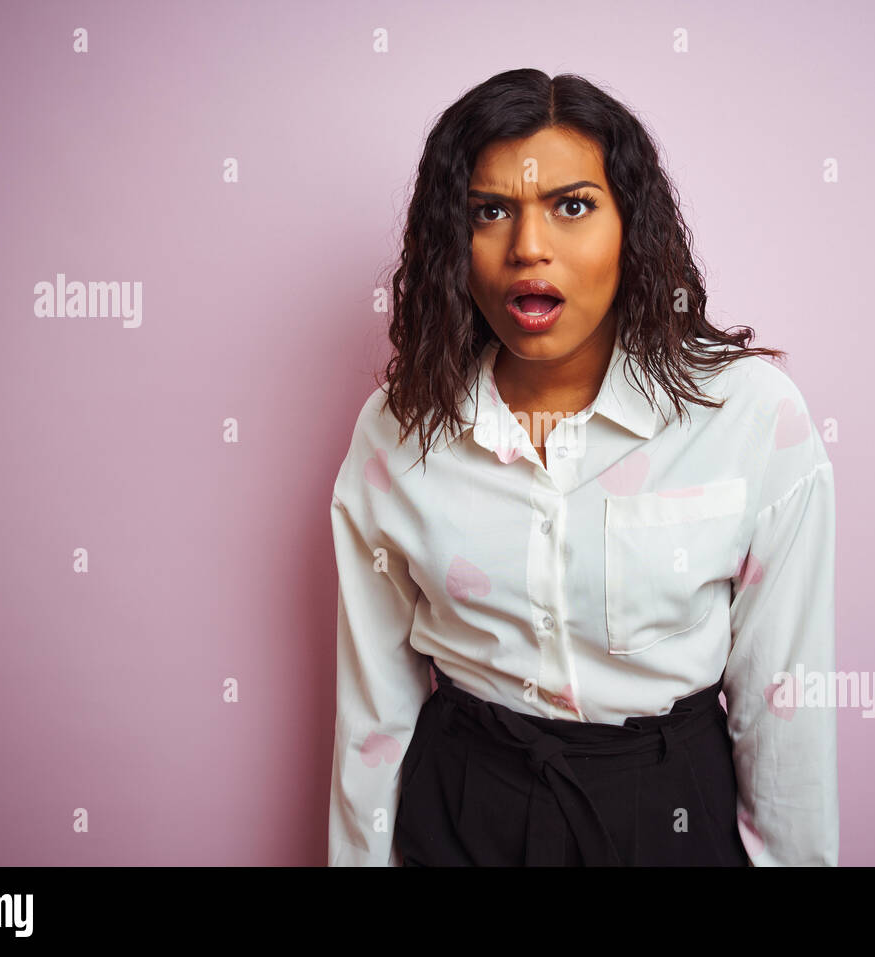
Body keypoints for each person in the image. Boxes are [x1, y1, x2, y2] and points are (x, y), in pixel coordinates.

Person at [327, 69, 837, 866]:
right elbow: (373, 711)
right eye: (490, 212)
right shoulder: (396, 429)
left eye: (572, 205)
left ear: (631, 225)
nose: (530, 247)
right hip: (461, 813)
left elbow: (786, 710)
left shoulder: (751, 418)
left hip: (665, 816)